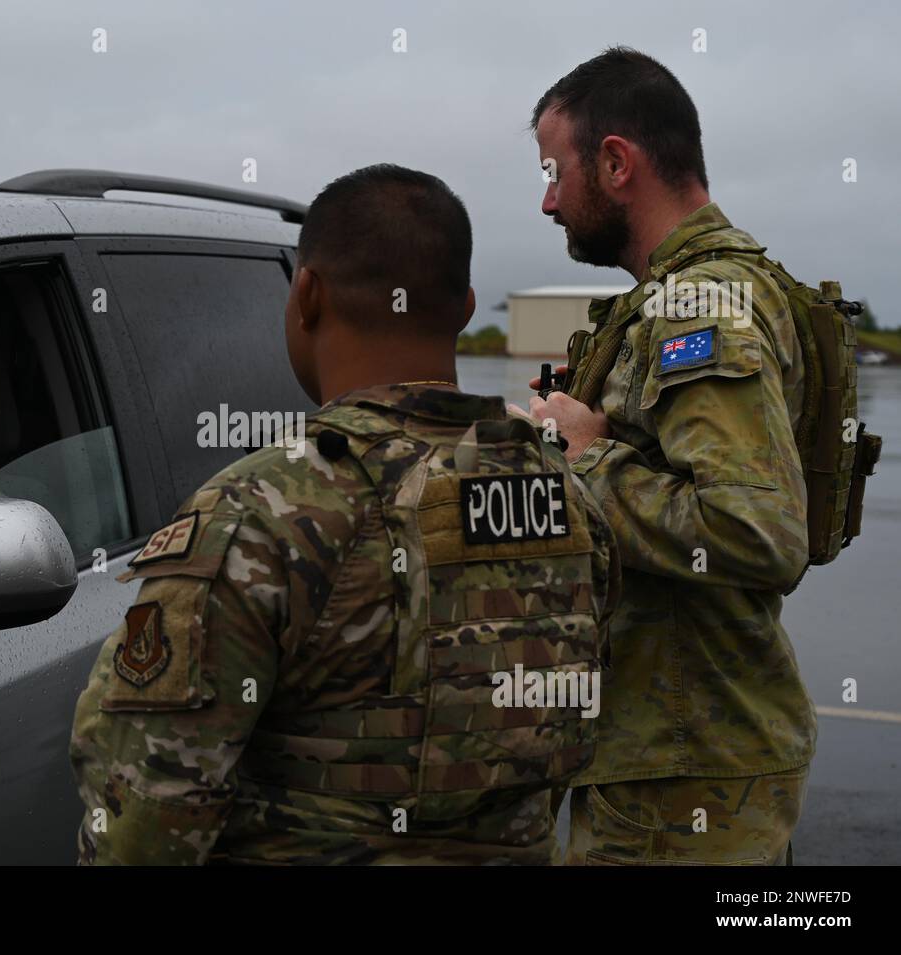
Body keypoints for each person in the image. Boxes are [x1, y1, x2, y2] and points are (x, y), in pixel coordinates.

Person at [69, 164, 619, 865]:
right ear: (465, 306)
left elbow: (146, 826)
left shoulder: (260, 512)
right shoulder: (568, 498)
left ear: (308, 294)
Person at [523, 47, 815, 864]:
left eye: (555, 172)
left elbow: (756, 528)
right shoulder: (687, 294)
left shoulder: (700, 305)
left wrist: (585, 457)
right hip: (678, 764)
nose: (547, 201)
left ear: (616, 162)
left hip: (682, 783)